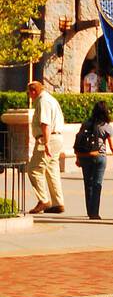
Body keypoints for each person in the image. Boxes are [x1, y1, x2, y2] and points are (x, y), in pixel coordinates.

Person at [74, 99, 113, 219]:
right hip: (99, 156)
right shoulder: (106, 127)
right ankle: (94, 213)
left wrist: (78, 157)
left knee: (88, 183)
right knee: (97, 184)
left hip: (85, 156)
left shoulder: (85, 123)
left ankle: (90, 211)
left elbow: (79, 141)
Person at [26, 81, 65, 215]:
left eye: (28, 93)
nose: (29, 96)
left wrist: (46, 142)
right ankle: (58, 203)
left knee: (33, 169)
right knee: (51, 170)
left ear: (33, 91)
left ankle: (43, 200)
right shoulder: (50, 99)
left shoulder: (43, 101)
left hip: (47, 139)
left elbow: (45, 124)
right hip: (56, 138)